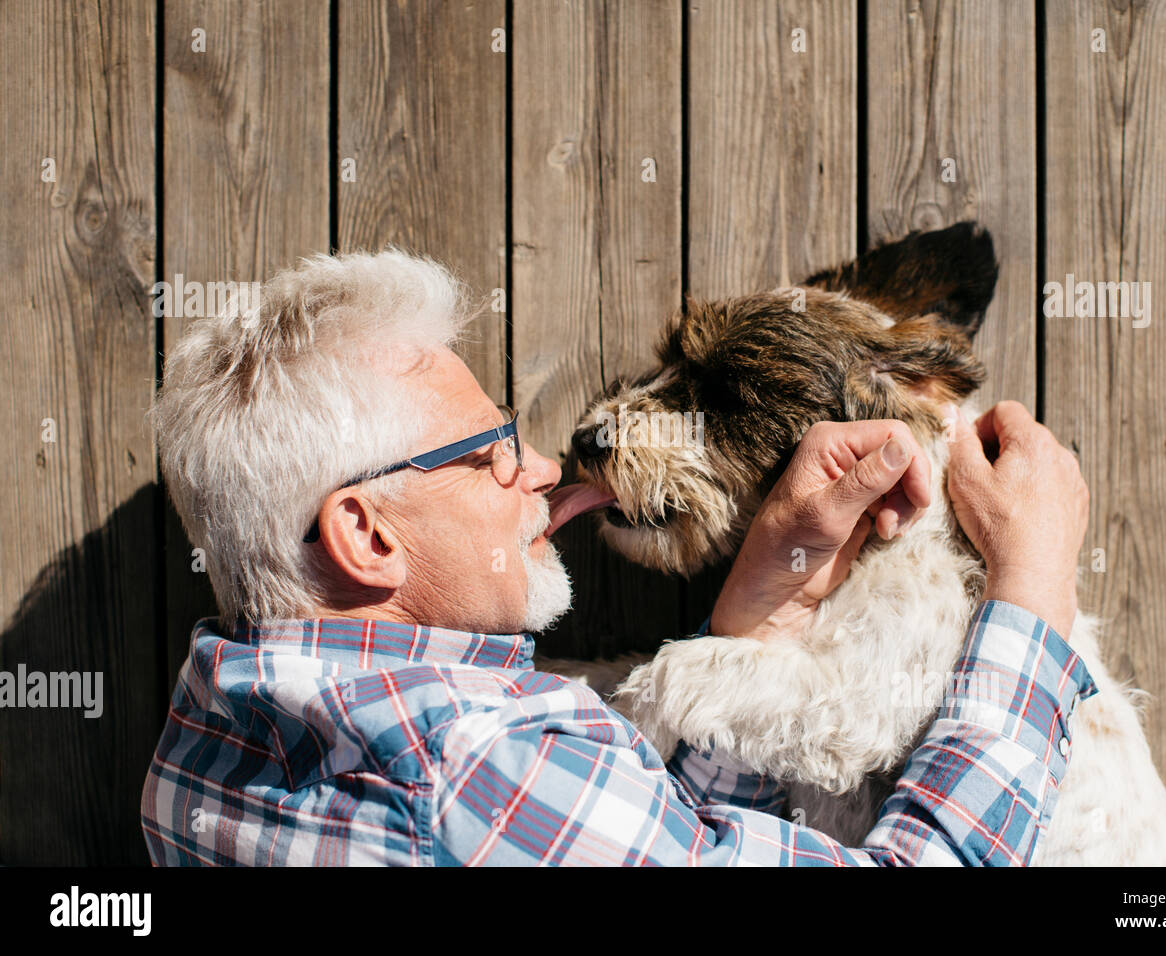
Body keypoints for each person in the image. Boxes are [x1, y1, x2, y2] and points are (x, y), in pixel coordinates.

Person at [141, 249, 1094, 865]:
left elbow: (670, 844)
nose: (545, 468)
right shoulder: (475, 774)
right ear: (367, 534)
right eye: (488, 455)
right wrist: (1035, 586)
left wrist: (755, 616)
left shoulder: (207, 732)